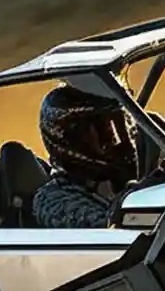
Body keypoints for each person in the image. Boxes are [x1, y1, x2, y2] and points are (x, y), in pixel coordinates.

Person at [32, 83, 139, 229]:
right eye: (103, 130)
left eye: (119, 126)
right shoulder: (52, 200)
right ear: (75, 140)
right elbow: (108, 231)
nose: (113, 138)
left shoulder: (120, 175)